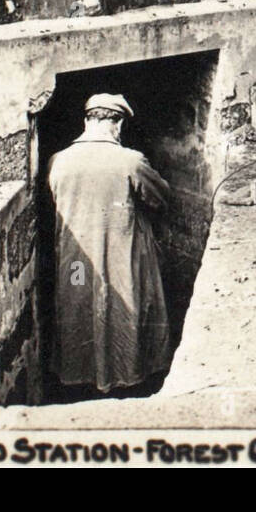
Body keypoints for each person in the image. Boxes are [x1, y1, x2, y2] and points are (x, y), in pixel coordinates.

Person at [47, 93, 171, 397]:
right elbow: (161, 198)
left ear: (87, 121)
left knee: (77, 311)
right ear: (116, 123)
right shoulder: (130, 160)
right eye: (120, 125)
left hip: (76, 262)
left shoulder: (57, 161)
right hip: (122, 256)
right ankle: (130, 382)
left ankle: (78, 384)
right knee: (126, 311)